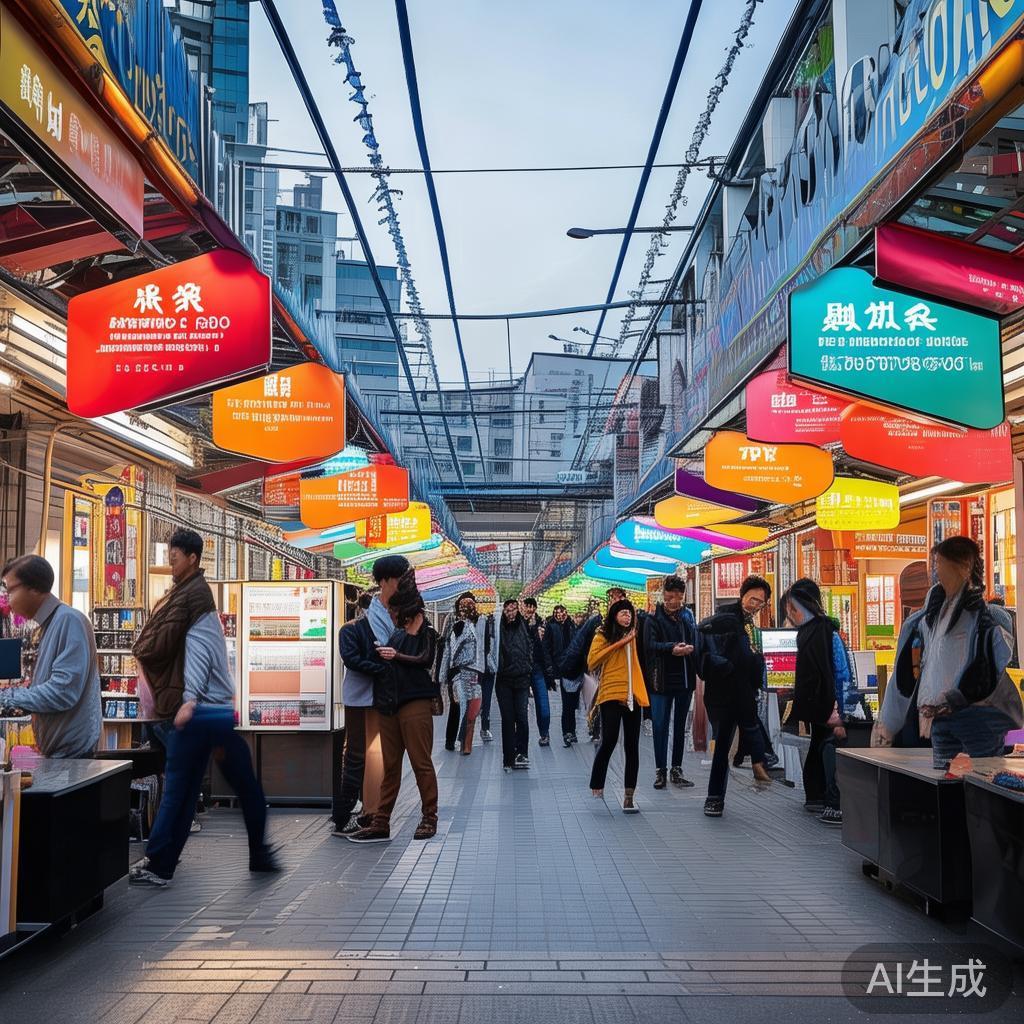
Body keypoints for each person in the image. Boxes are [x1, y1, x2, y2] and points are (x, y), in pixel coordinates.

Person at [130, 530, 276, 886]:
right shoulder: (197, 598)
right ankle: (260, 853)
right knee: (244, 786)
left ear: (192, 558)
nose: (170, 562)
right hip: (218, 714)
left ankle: (161, 864)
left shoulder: (191, 599)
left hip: (195, 715)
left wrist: (190, 699)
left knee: (178, 791)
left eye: (175, 556)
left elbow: (195, 653)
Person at [875, 536, 1023, 768]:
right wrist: (887, 727)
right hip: (948, 719)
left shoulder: (990, 618)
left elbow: (904, 681)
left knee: (971, 784)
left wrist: (886, 728)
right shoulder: (921, 624)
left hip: (973, 720)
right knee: (961, 784)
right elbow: (905, 679)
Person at [348, 556, 440, 843]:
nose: (404, 582)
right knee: (390, 766)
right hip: (388, 700)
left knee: (420, 762)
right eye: (400, 577)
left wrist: (396, 655)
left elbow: (425, 659)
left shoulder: (418, 619)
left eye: (406, 578)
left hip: (414, 699)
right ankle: (381, 821)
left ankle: (429, 816)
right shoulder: (378, 615)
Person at [0, 555, 100, 758]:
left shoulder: (68, 620)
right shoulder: (51, 624)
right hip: (60, 752)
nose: (8, 600)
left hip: (72, 757)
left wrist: (7, 697)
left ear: (34, 588)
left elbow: (62, 692)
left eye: (10, 590)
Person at [698, 575, 774, 818]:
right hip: (722, 693)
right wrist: (731, 666)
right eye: (753, 599)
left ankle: (756, 760)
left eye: (760, 602)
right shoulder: (726, 618)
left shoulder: (750, 624)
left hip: (743, 692)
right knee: (722, 745)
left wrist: (756, 664)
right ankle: (715, 797)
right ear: (743, 594)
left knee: (743, 733)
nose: (755, 605)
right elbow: (712, 653)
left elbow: (750, 656)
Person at [784, 578, 854, 827]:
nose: (791, 614)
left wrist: (839, 707)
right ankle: (825, 799)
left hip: (824, 703)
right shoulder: (814, 631)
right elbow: (833, 671)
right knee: (822, 745)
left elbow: (839, 671)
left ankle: (821, 797)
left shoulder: (820, 631)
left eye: (793, 608)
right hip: (821, 703)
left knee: (822, 745)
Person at [587, 599, 650, 811]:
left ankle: (629, 796)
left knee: (632, 746)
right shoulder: (602, 635)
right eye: (623, 613)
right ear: (614, 615)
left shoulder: (635, 635)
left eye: (630, 614)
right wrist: (620, 643)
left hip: (633, 694)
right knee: (610, 740)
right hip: (611, 694)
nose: (628, 617)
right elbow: (592, 660)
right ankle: (597, 782)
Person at [334, 590, 385, 836]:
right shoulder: (351, 629)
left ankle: (367, 810)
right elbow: (351, 659)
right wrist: (382, 667)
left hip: (375, 698)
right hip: (359, 699)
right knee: (356, 755)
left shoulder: (382, 630)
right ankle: (343, 815)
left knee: (371, 757)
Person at [642, 575, 698, 789]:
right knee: (660, 725)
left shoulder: (687, 617)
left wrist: (690, 648)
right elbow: (650, 645)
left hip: (684, 680)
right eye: (669, 596)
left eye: (678, 597)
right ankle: (660, 771)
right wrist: (672, 648)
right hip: (660, 681)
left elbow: (695, 640)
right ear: (663, 595)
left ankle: (677, 768)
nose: (674, 601)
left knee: (680, 726)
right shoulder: (653, 618)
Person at [438, 592, 485, 754]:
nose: (467, 608)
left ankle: (464, 741)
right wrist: (444, 674)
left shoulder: (480, 621)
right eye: (464, 605)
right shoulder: (453, 620)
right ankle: (453, 740)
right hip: (457, 671)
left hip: (474, 670)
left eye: (470, 605)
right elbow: (445, 643)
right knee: (457, 705)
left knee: (471, 706)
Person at [491, 598, 532, 771]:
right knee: (508, 719)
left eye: (514, 609)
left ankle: (521, 753)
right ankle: (508, 758)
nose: (511, 612)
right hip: (504, 680)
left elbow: (532, 645)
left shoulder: (525, 626)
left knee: (522, 717)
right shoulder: (497, 628)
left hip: (522, 678)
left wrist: (529, 664)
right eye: (507, 610)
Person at [543, 604, 580, 746]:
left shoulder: (572, 626)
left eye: (562, 612)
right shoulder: (551, 627)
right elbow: (547, 648)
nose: (560, 615)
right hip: (561, 668)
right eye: (557, 613)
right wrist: (551, 668)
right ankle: (568, 731)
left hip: (573, 667)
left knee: (572, 700)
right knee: (567, 702)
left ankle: (571, 730)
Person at [521, 597, 553, 746]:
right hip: (520, 670)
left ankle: (544, 733)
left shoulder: (542, 624)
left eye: (532, 607)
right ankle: (520, 740)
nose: (529, 610)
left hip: (538, 668)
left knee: (543, 704)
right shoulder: (517, 624)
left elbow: (546, 647)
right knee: (520, 708)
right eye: (527, 606)